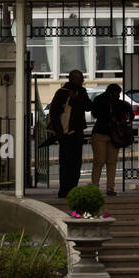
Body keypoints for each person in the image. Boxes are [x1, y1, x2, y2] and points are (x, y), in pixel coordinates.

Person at [47, 70, 92, 198]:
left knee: (76, 162)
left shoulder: (81, 92)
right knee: (66, 163)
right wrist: (59, 132)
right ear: (73, 79)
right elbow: (54, 113)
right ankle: (64, 189)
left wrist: (77, 99)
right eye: (80, 78)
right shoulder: (62, 93)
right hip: (66, 133)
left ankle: (73, 188)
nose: (83, 80)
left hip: (77, 131)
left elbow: (89, 106)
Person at [90, 83, 134, 196]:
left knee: (110, 161)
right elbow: (95, 114)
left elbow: (131, 114)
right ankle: (96, 187)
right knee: (100, 161)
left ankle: (109, 188)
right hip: (103, 134)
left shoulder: (119, 103)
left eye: (118, 94)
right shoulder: (100, 100)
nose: (118, 96)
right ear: (110, 93)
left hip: (112, 135)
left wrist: (124, 115)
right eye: (116, 94)